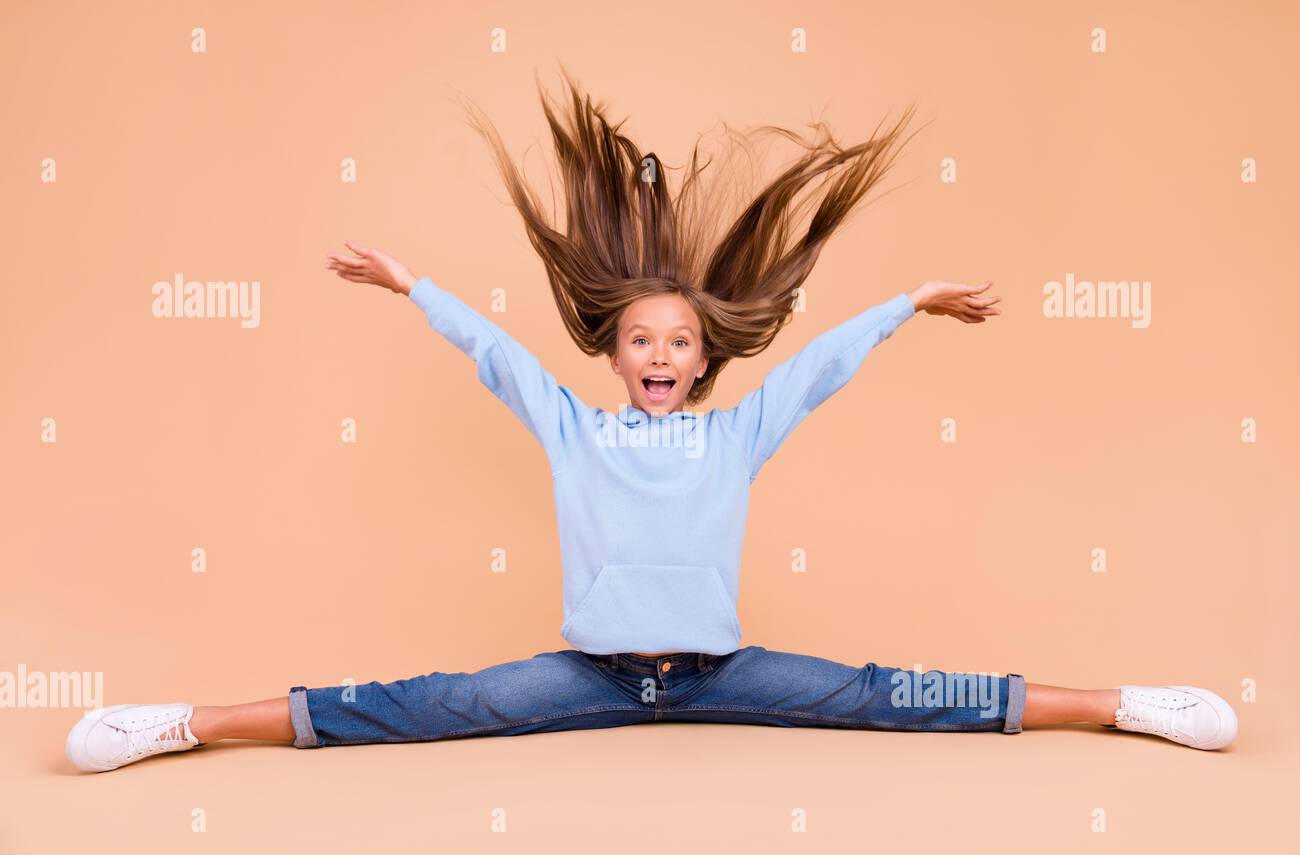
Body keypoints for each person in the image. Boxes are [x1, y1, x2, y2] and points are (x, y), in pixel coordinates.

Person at [65, 71, 1237, 772]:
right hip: (591, 679)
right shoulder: (574, 428)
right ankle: (185, 724)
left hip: (726, 670)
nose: (661, 353)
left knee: (900, 694)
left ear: (705, 356)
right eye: (640, 340)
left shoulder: (737, 434)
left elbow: (821, 365)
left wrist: (911, 300)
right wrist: (407, 281)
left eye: (680, 340)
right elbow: (496, 354)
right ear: (614, 356)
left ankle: (1128, 702)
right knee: (416, 706)